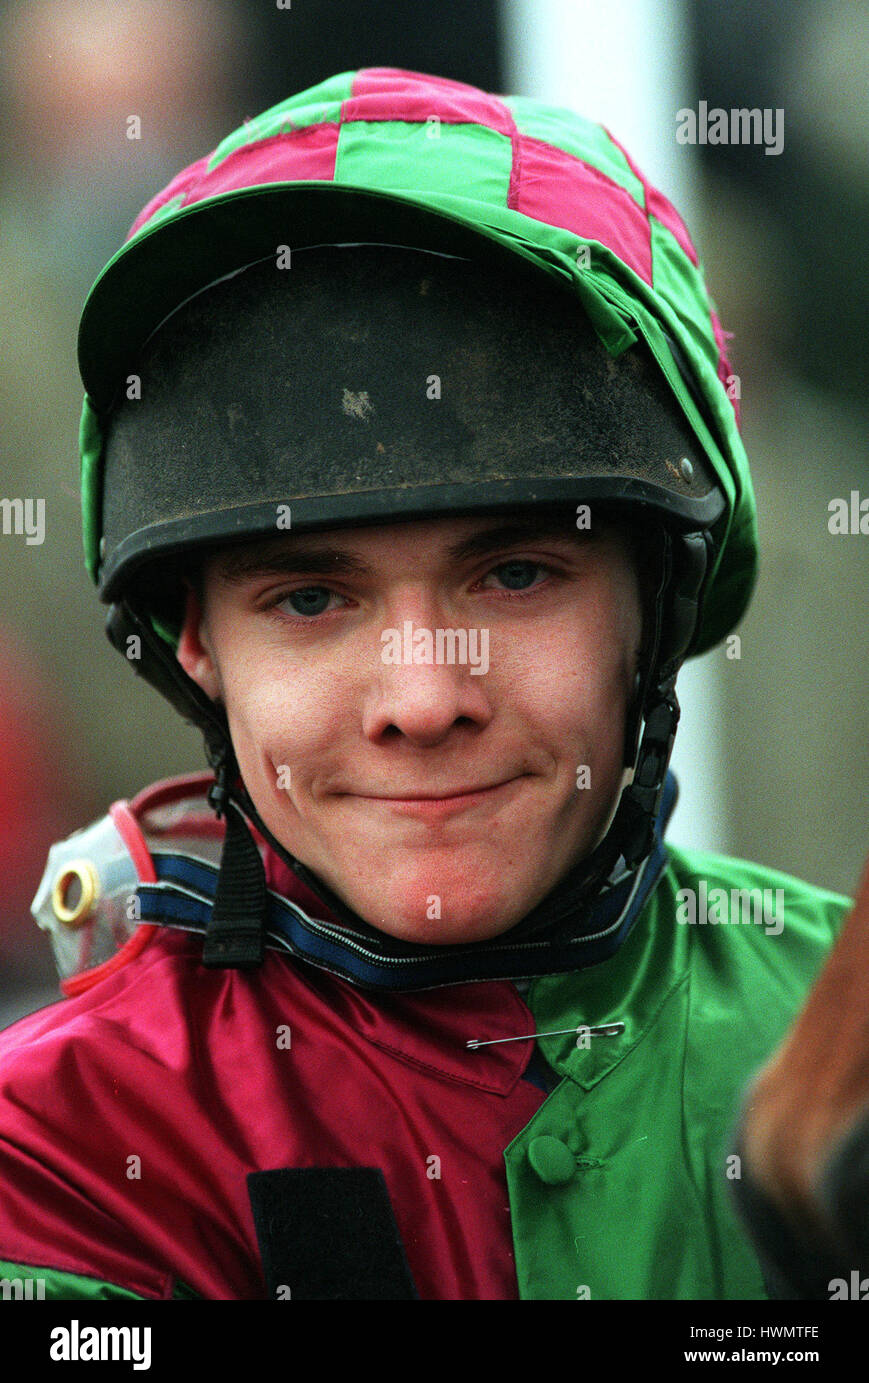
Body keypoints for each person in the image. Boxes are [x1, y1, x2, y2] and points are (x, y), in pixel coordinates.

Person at [0, 66, 853, 1301]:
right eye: (311, 599)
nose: (421, 699)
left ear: (656, 605)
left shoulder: (841, 1047)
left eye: (513, 575)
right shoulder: (59, 1152)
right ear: (196, 644)